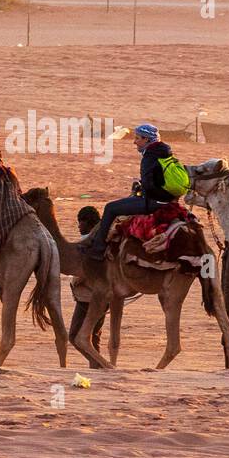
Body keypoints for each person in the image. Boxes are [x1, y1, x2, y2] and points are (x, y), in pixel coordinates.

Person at [87, 124, 176, 259]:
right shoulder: (165, 153)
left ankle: (97, 249)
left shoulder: (149, 157)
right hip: (168, 200)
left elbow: (150, 185)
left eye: (137, 138)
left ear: (146, 139)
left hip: (153, 202)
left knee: (110, 208)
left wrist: (142, 188)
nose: (134, 142)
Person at [68, 206, 103, 348]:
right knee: (92, 338)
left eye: (80, 222)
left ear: (88, 222)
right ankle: (98, 368)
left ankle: (100, 365)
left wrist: (77, 280)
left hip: (88, 297)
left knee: (76, 337)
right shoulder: (98, 240)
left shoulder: (89, 243)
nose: (79, 226)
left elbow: (87, 269)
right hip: (96, 296)